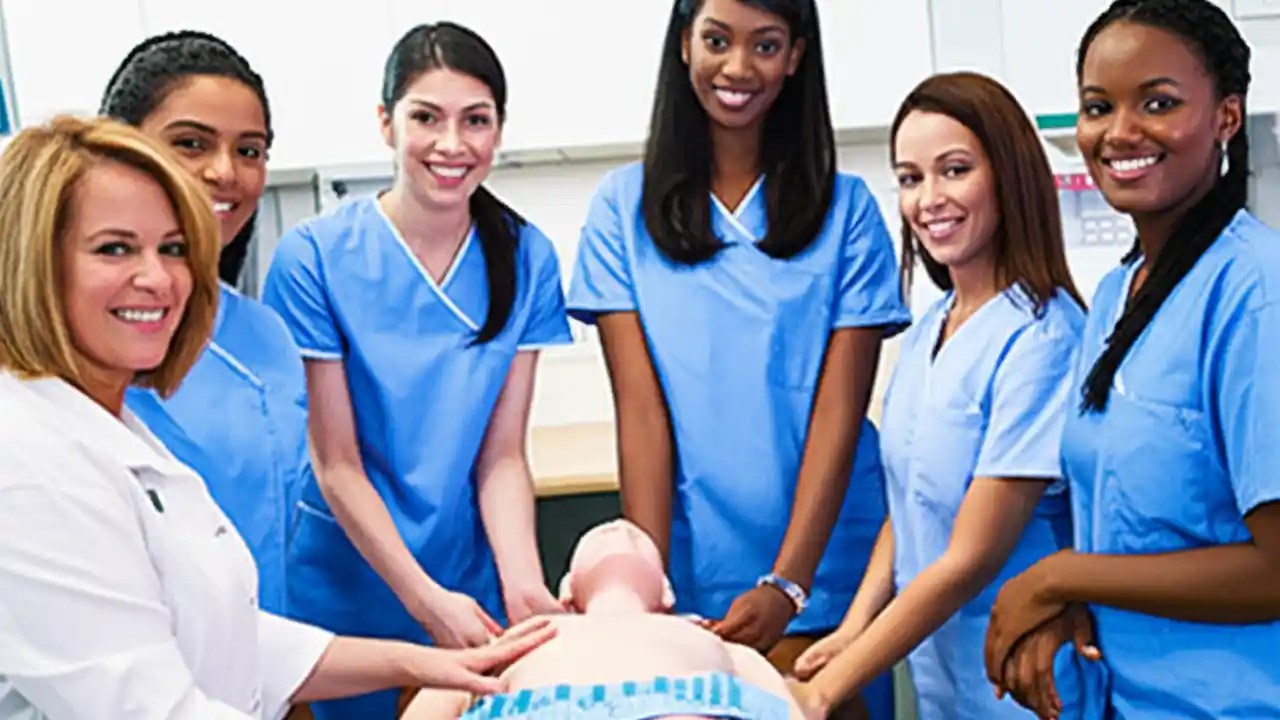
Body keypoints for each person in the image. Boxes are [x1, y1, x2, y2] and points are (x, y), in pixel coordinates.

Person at [0, 115, 555, 720]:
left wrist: (421, 665)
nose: (157, 278)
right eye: (115, 249)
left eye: (174, 249)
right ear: (32, 264)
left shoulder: (106, 429)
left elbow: (223, 636)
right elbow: (150, 708)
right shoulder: (30, 467)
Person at [565, 1, 909, 716]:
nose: (738, 67)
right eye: (717, 40)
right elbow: (641, 411)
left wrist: (789, 583)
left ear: (796, 56)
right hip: (687, 579)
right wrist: (649, 594)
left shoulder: (847, 211)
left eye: (766, 45)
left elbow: (839, 414)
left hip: (825, 576)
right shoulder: (621, 210)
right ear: (684, 45)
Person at [261, 22, 573, 719]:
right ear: (386, 123)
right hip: (347, 587)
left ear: (499, 129)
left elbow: (502, 456)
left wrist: (523, 585)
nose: (451, 144)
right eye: (426, 117)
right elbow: (336, 464)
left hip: (468, 578)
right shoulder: (314, 259)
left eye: (475, 120)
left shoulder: (527, 257)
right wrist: (424, 600)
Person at [983, 1, 1280, 718]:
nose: (1119, 132)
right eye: (1098, 106)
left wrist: (1059, 578)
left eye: (1158, 103)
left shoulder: (1256, 292)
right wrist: (1074, 598)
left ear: (1227, 117)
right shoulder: (1119, 293)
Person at [782, 72, 1098, 720]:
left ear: (1007, 177)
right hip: (943, 682)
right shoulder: (932, 327)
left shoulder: (1043, 339)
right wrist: (853, 629)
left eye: (954, 170)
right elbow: (914, 502)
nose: (929, 199)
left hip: (1024, 687)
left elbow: (970, 557)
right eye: (910, 178)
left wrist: (826, 689)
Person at [99, 30, 309, 616]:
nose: (225, 172)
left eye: (250, 151)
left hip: (263, 652)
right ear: (117, 149)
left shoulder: (267, 338)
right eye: (191, 143)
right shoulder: (75, 343)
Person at [400, 519, 804, 720]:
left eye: (637, 539)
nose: (617, 527)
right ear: (567, 592)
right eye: (595, 538)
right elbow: (444, 693)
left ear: (666, 592)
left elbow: (785, 711)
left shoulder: (703, 637)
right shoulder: (527, 637)